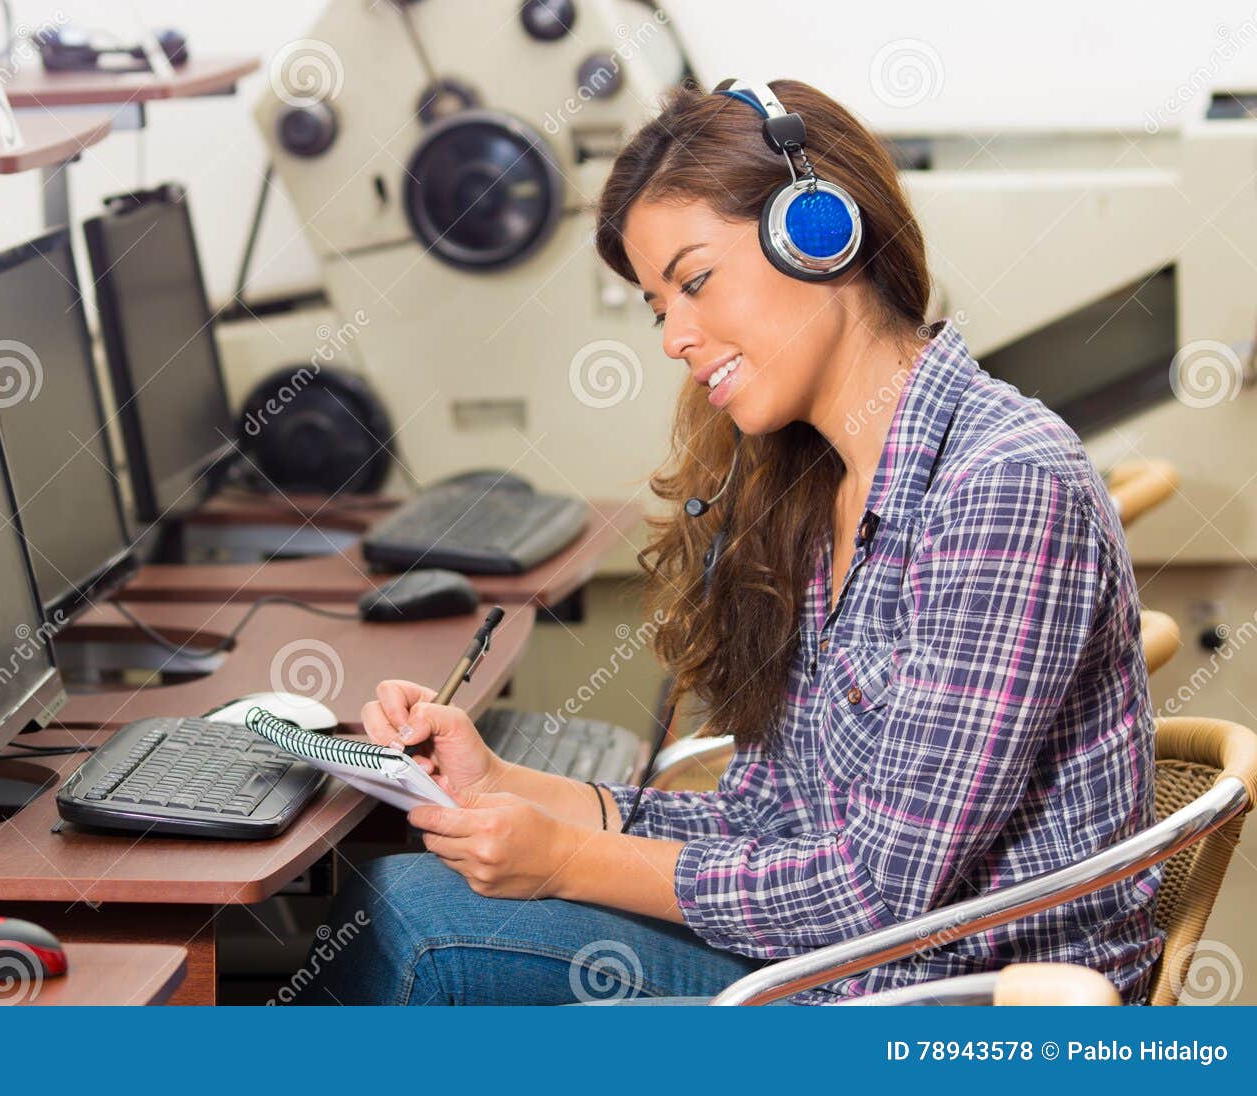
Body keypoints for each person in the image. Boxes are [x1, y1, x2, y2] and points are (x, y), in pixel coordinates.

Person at [298, 79, 1161, 1005]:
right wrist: (509, 787)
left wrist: (566, 862)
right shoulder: (825, 485)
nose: (674, 337)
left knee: (419, 931)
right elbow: (769, 816)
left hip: (952, 1002)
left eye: (696, 282)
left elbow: (876, 892)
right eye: (658, 307)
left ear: (821, 235)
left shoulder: (1003, 484)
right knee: (400, 899)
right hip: (838, 964)